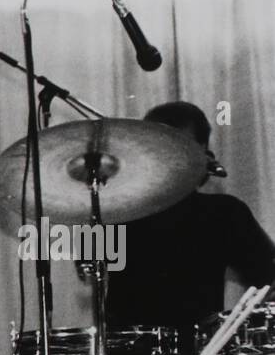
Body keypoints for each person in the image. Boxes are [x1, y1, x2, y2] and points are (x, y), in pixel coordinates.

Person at [107, 101, 275, 330]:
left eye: (179, 145)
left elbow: (269, 275)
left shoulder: (224, 212)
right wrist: (102, 191)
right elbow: (87, 261)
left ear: (204, 152)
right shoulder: (116, 211)